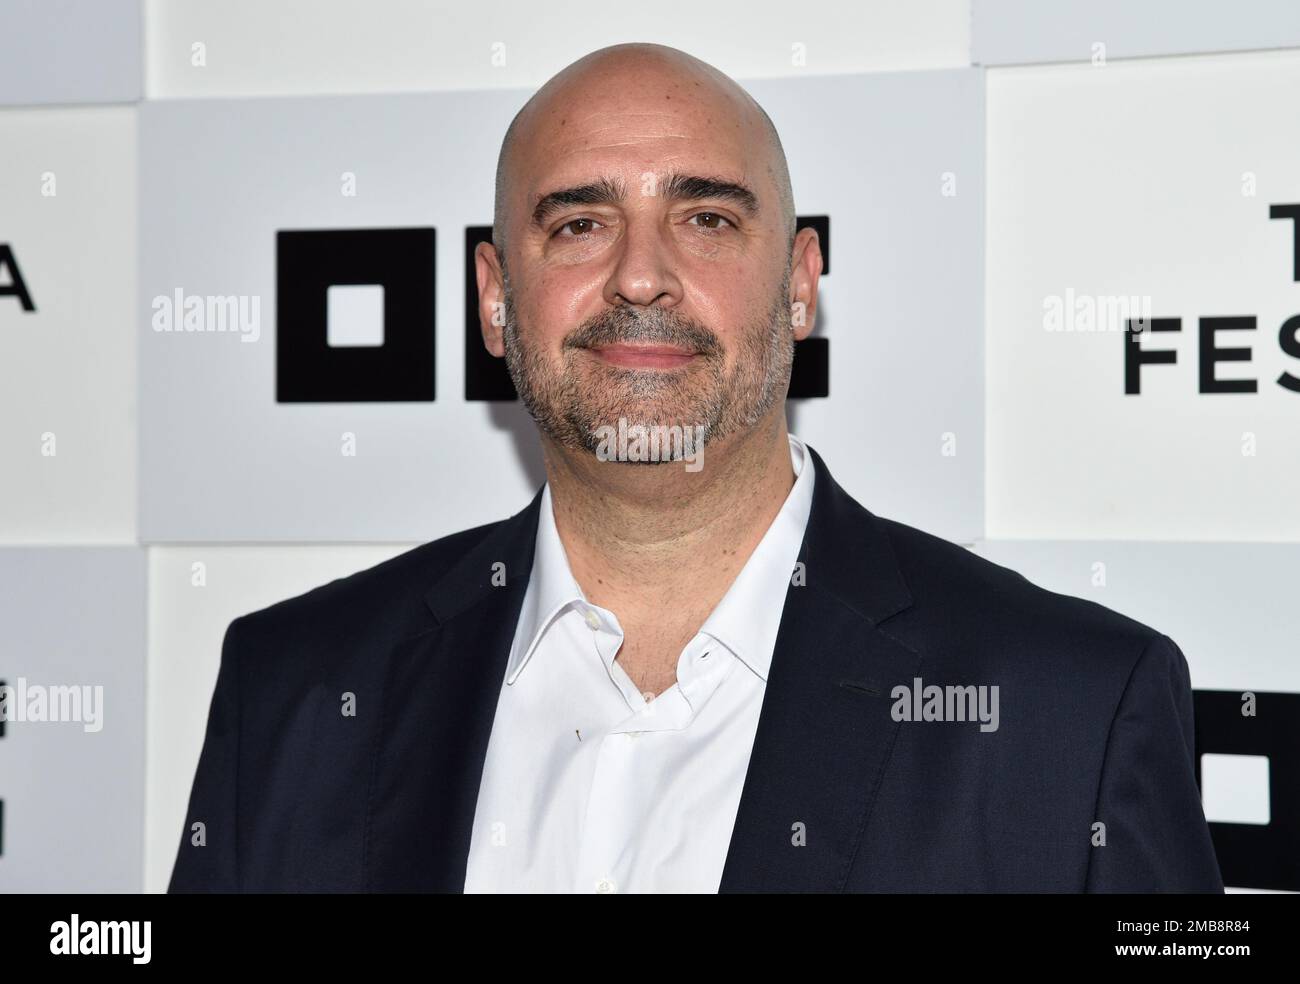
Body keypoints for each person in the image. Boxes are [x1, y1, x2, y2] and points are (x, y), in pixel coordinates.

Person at [169, 43, 1223, 893]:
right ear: (493, 299)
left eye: (706, 218)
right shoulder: (296, 692)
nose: (640, 275)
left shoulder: (1070, 710)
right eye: (579, 223)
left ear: (800, 284)